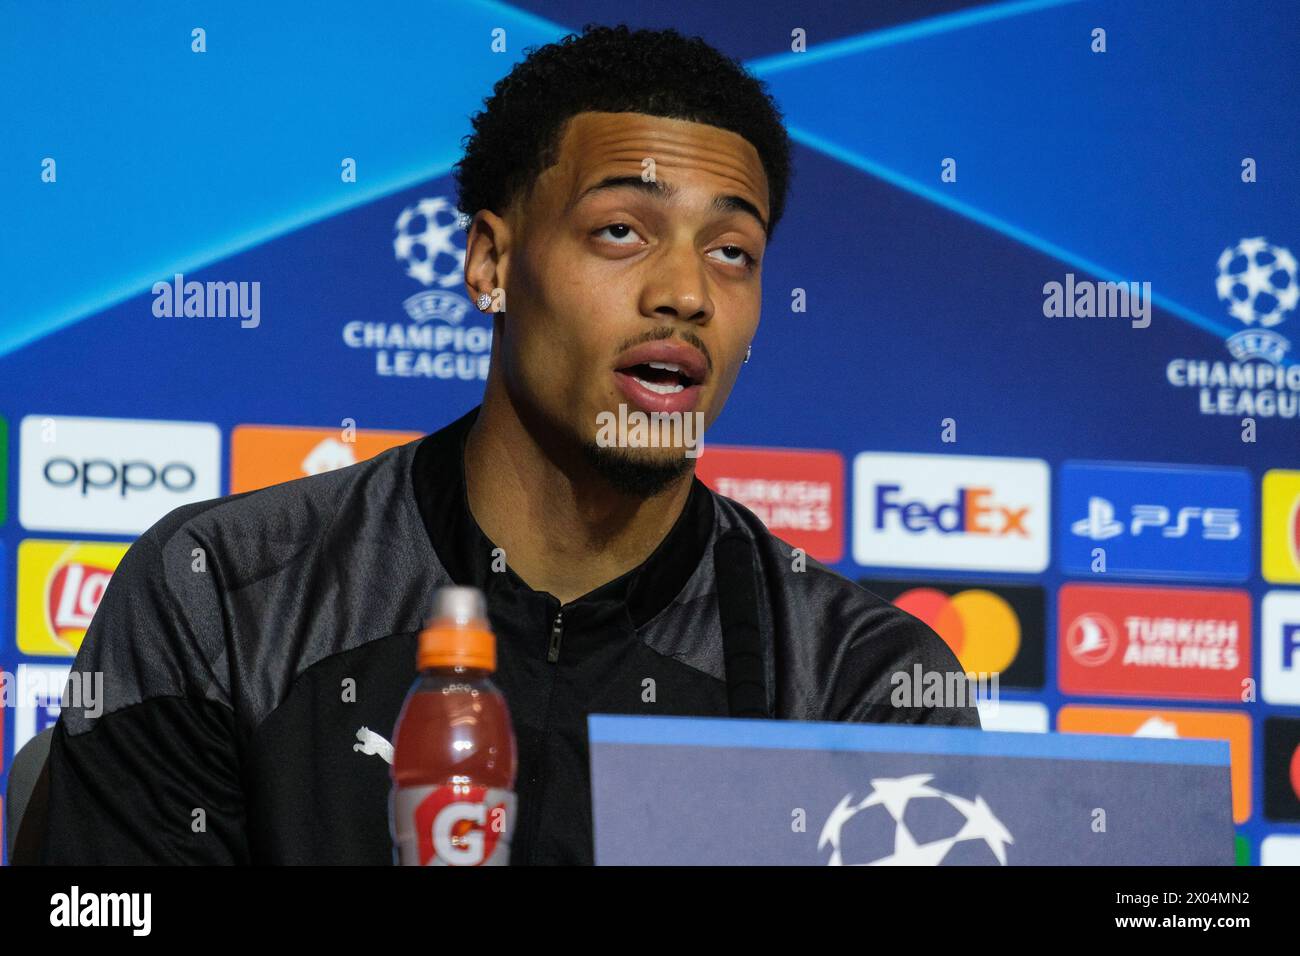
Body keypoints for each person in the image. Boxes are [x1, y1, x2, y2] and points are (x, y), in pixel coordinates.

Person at [38, 23, 978, 866]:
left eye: (732, 251)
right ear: (490, 263)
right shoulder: (224, 599)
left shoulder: (867, 688)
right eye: (621, 230)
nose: (686, 293)